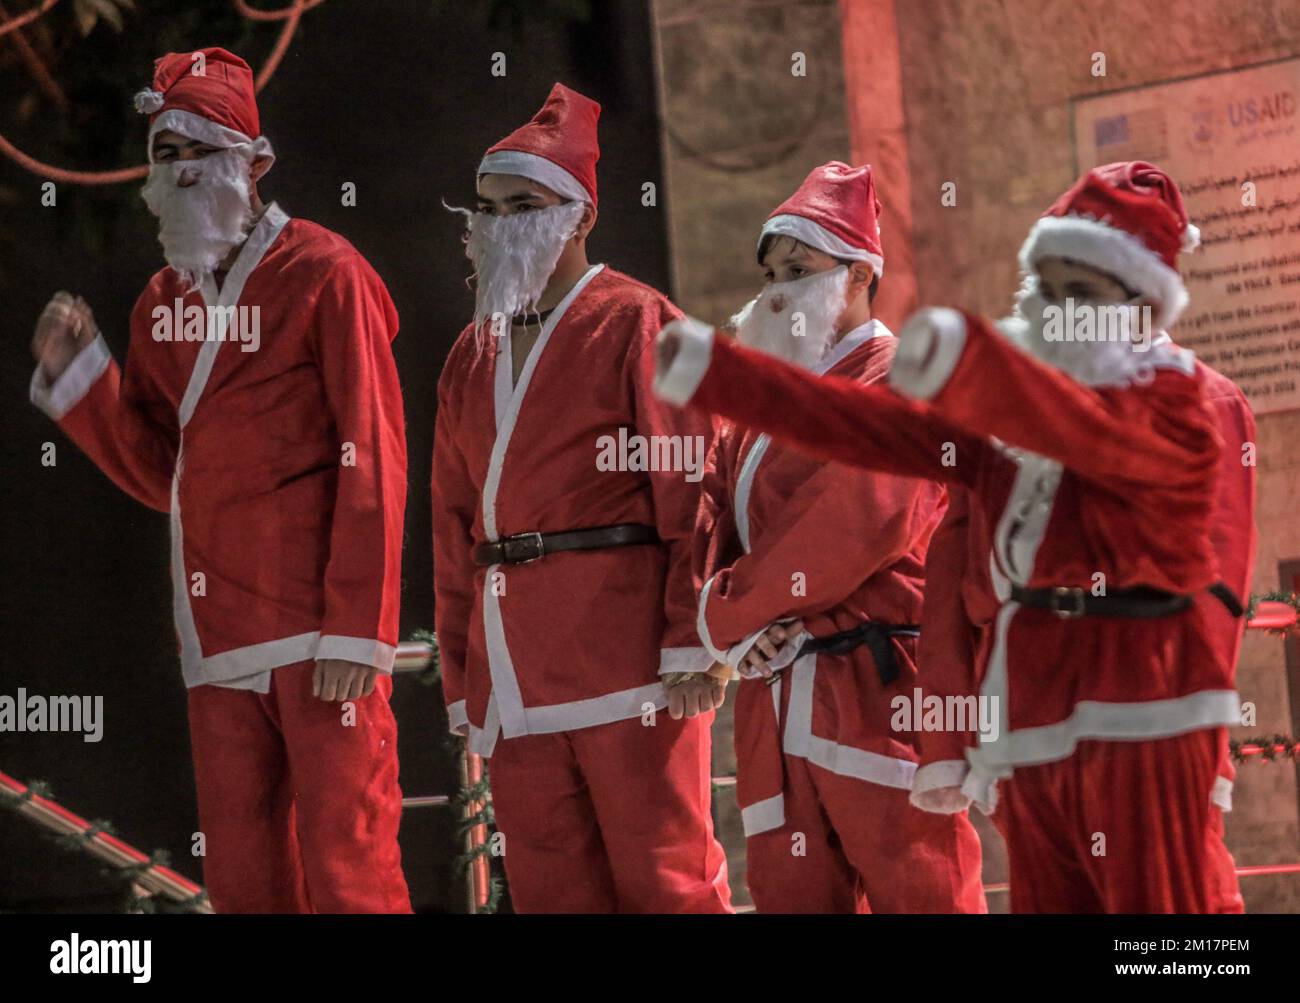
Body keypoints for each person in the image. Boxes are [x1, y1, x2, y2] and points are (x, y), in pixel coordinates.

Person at [655, 161, 1249, 913]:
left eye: (1083, 283)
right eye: (1050, 280)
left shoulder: (1186, 404)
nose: (1056, 304)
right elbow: (872, 435)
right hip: (1030, 719)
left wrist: (972, 363)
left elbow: (1110, 449)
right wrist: (721, 377)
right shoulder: (1011, 412)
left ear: (1141, 297)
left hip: (1143, 714)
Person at [29, 48, 410, 914]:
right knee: (245, 879)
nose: (180, 169)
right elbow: (170, 471)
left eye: (198, 148)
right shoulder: (159, 303)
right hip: (215, 633)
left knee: (349, 866)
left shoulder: (326, 272)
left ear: (256, 163)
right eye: (164, 152)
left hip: (319, 634)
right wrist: (84, 380)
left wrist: (359, 630)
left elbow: (373, 451)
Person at [431, 83, 731, 913]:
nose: (498, 225)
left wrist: (693, 642)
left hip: (630, 662)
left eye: (522, 204)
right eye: (486, 209)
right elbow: (454, 525)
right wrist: (463, 674)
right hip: (517, 671)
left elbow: (692, 489)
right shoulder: (470, 353)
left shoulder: (637, 320)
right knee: (550, 892)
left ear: (581, 214)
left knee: (669, 882)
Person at [686, 163, 985, 912]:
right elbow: (716, 509)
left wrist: (731, 614)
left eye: (798, 268)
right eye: (771, 271)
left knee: (925, 894)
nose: (777, 287)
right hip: (777, 706)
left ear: (857, 275)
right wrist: (723, 625)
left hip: (875, 696)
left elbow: (854, 521)